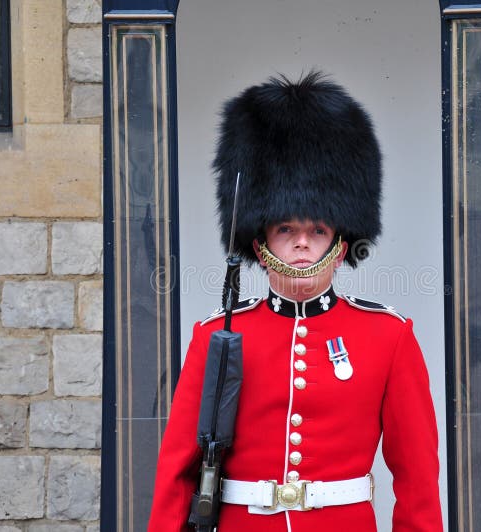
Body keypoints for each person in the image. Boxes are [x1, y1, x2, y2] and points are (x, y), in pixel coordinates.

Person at [148, 71, 443, 532]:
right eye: (285, 229)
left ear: (340, 246)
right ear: (260, 241)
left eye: (318, 230)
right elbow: (177, 470)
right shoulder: (216, 335)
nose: (302, 242)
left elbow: (418, 477)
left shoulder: (389, 336)